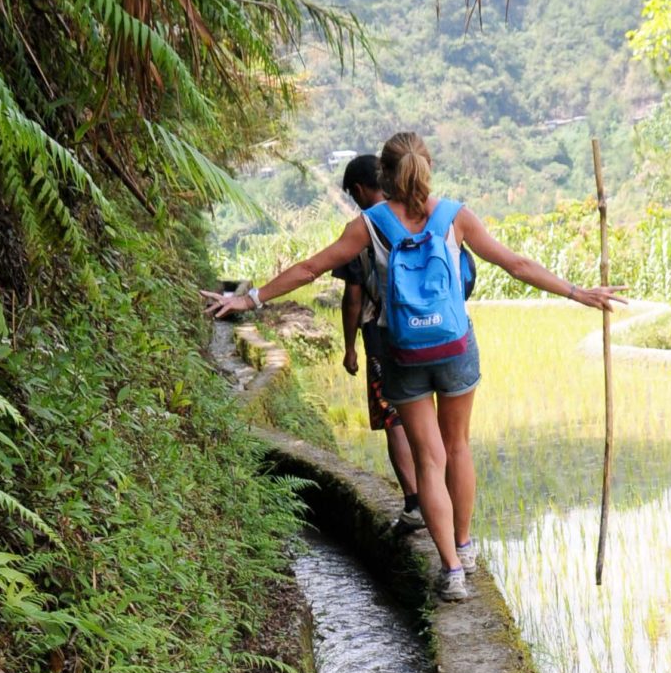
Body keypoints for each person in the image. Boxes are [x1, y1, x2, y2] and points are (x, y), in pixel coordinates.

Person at [203, 129, 618, 602]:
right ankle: (465, 545)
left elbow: (309, 269)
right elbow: (516, 264)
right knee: (457, 446)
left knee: (428, 459)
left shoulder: (369, 224)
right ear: (427, 167)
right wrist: (578, 293)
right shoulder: (455, 216)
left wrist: (249, 299)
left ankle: (452, 571)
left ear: (384, 173)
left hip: (403, 353)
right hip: (455, 347)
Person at [334, 152, 423, 535]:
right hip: (426, 332)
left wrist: (350, 347)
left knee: (393, 418)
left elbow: (353, 298)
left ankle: (415, 504)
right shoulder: (418, 214)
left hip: (381, 335)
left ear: (358, 189)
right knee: (426, 418)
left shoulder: (364, 228)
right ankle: (444, 508)